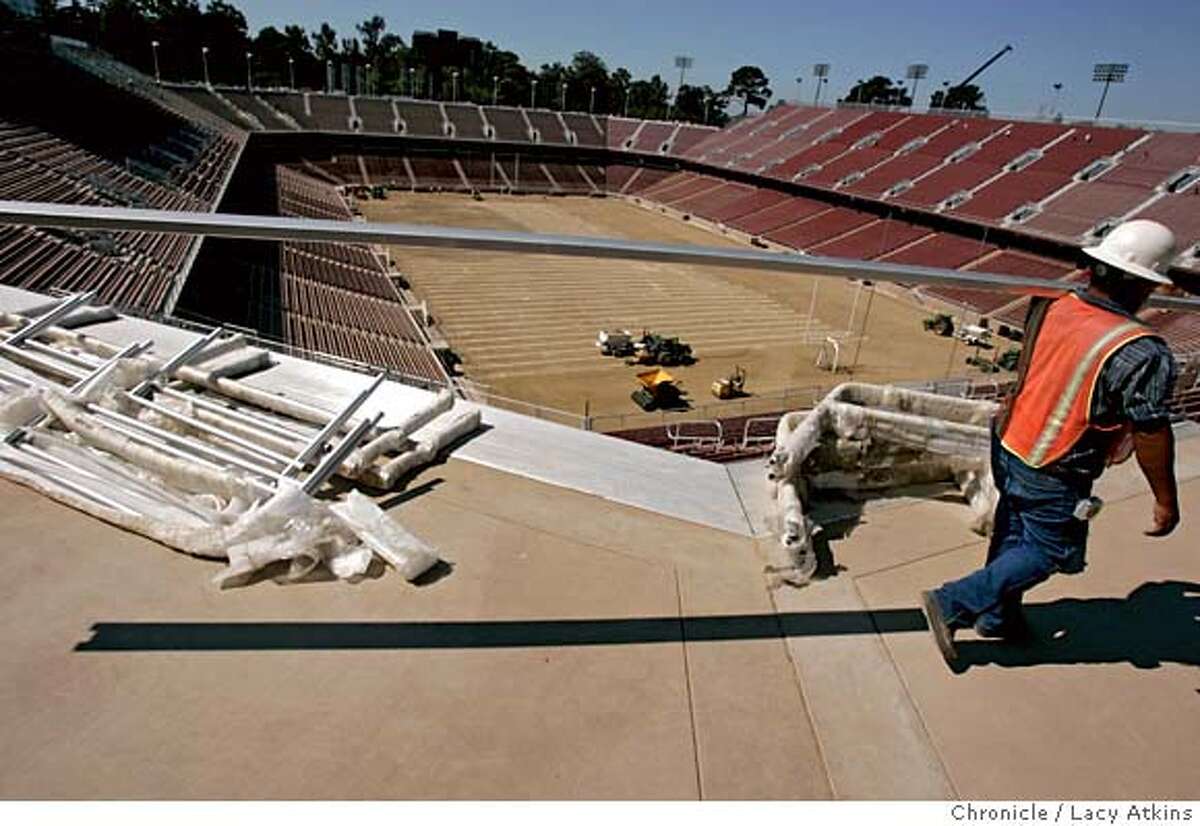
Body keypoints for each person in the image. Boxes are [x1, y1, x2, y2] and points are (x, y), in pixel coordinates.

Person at [920, 219, 1182, 664]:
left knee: (1013, 533)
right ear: (1143, 283)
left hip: (1010, 442)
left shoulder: (1052, 305)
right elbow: (1151, 428)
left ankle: (999, 619)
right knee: (1047, 549)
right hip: (1058, 461)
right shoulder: (1142, 351)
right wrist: (1165, 499)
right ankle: (952, 602)